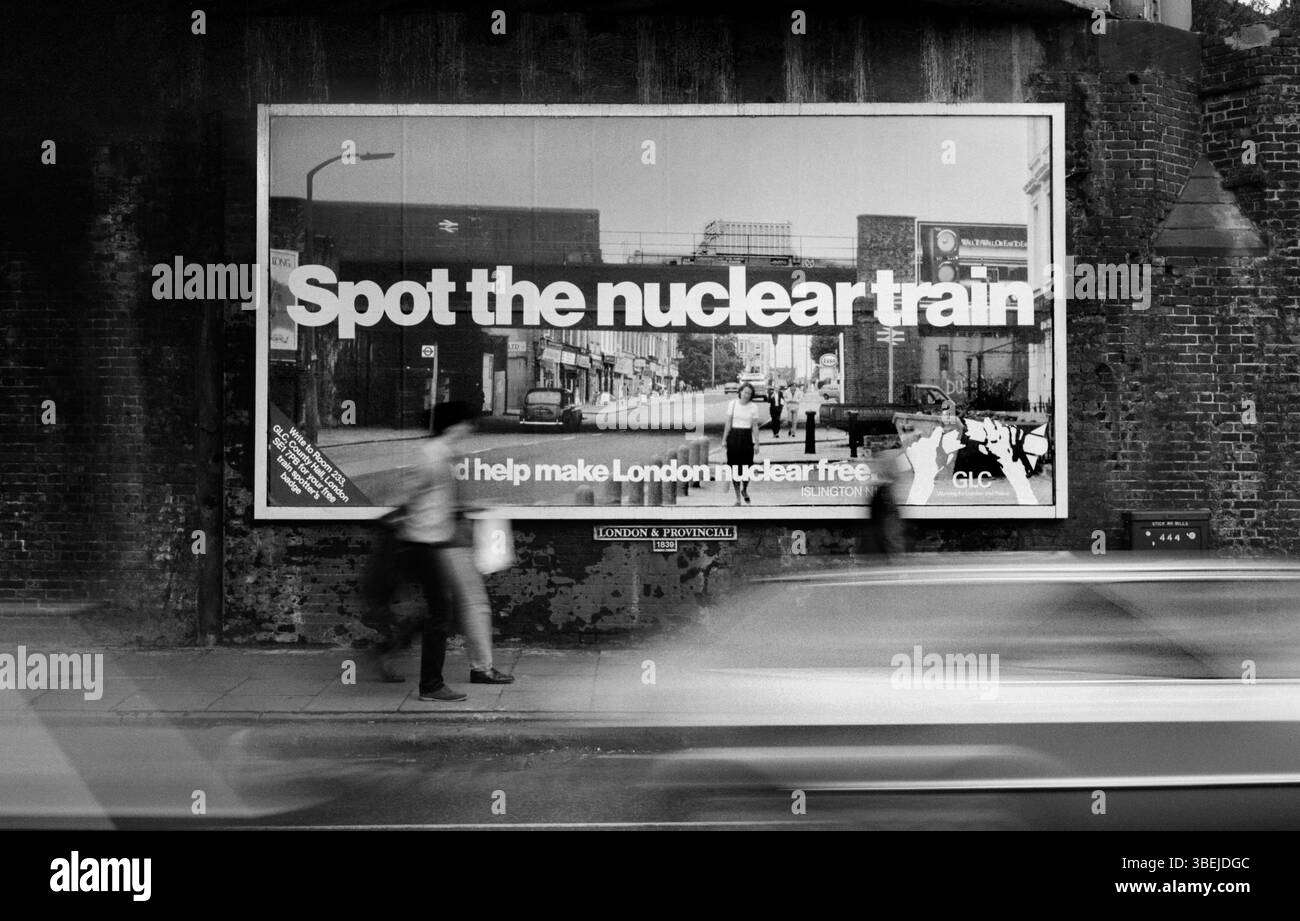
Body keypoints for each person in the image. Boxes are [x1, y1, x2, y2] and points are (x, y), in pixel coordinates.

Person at [362, 401, 514, 701]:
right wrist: (396, 521)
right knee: (440, 612)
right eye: (466, 424)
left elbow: (432, 498)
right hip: (423, 543)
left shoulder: (442, 454)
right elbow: (407, 494)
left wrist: (464, 509)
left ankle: (396, 653)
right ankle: (431, 684)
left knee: (439, 611)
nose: (470, 429)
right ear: (453, 426)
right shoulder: (432, 456)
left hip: (431, 541)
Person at [722, 382, 762, 506]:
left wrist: (757, 443)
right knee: (734, 467)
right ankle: (737, 497)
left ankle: (744, 489)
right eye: (745, 392)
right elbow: (728, 423)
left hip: (746, 438)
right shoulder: (732, 404)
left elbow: (755, 426)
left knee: (747, 467)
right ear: (740, 392)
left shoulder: (753, 407)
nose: (746, 395)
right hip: (733, 437)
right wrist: (724, 440)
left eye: (749, 394)